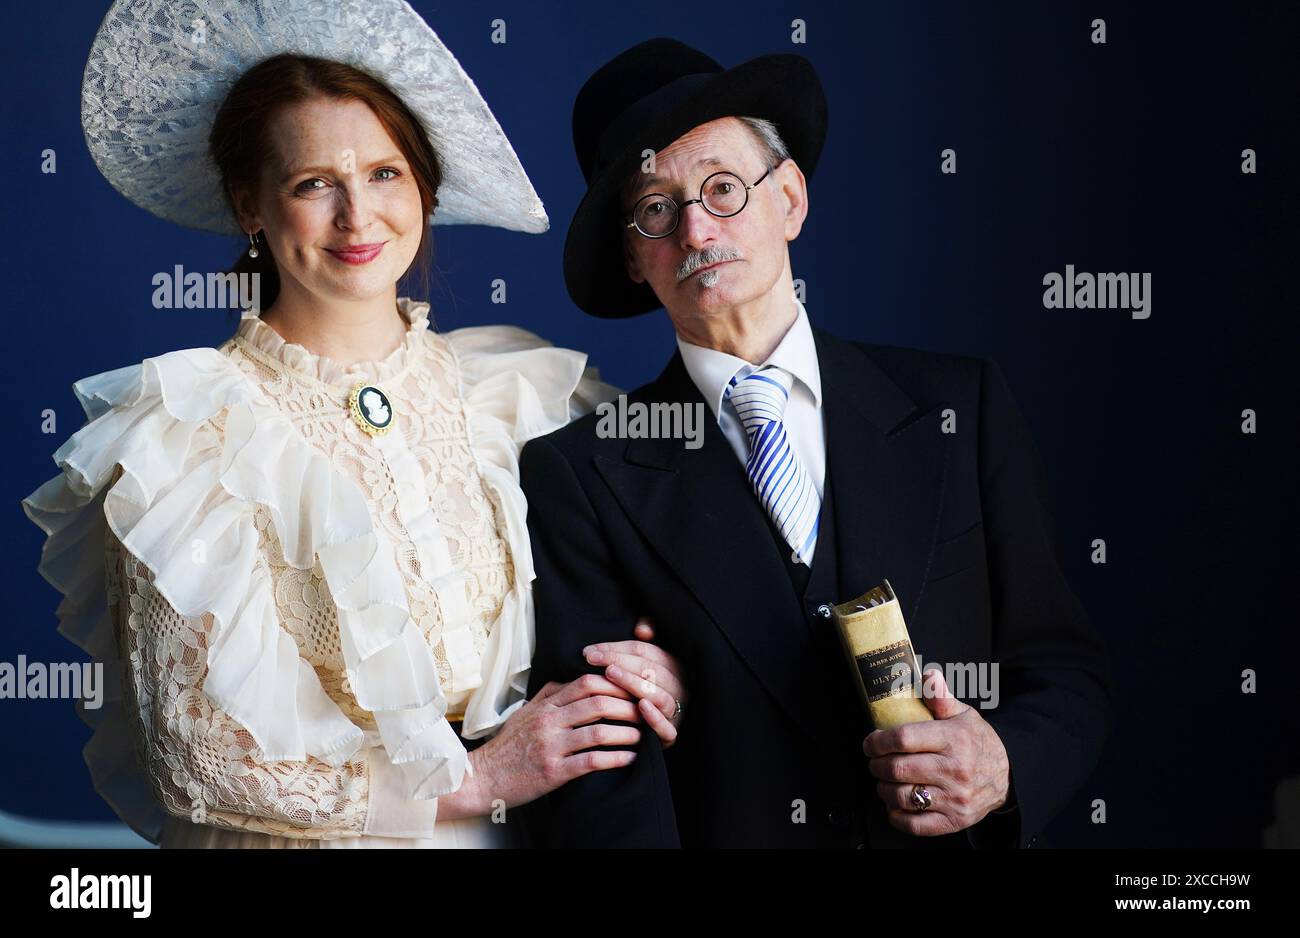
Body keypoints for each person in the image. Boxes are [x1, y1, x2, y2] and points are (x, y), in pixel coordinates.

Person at [22, 1, 687, 848]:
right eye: (312, 184)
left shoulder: (523, 390)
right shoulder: (187, 432)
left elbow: (655, 598)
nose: (358, 217)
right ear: (249, 205)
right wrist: (475, 781)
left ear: (423, 187)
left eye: (383, 173)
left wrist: (658, 668)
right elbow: (194, 760)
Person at [518, 39, 1114, 848]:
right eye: (656, 208)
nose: (696, 229)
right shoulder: (578, 474)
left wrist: (1003, 761)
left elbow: (1065, 670)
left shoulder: (961, 405)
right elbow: (604, 774)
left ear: (789, 198)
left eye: (722, 187)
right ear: (632, 255)